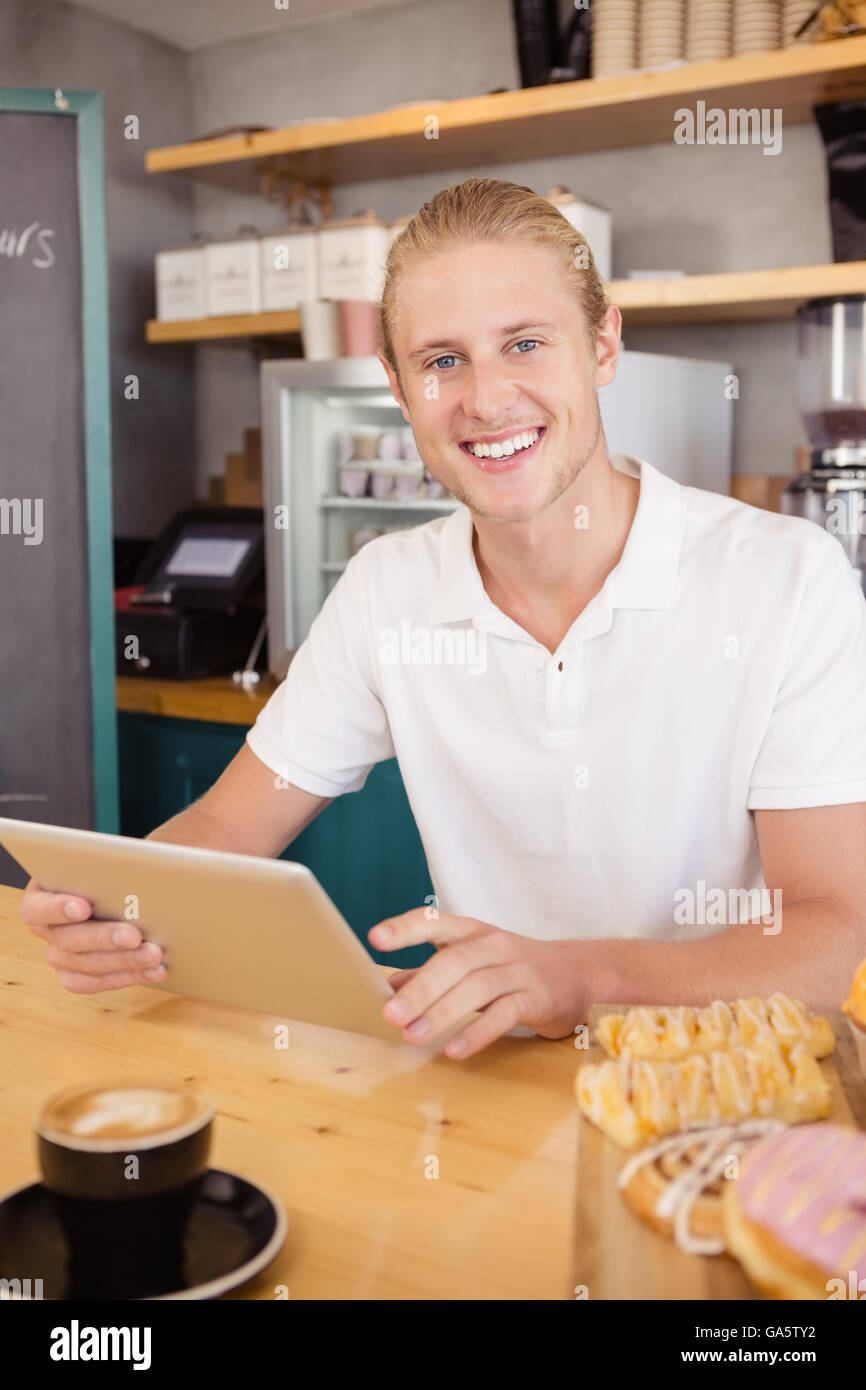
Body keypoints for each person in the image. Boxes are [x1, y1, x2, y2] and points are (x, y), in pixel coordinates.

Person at [20, 177, 866, 1060]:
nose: (487, 400)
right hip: (487, 1083)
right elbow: (228, 828)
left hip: (726, 1093)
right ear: (397, 384)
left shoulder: (784, 578)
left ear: (604, 343)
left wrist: (582, 981)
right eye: (442, 360)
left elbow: (836, 933)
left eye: (526, 343)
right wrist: (121, 903)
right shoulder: (388, 587)